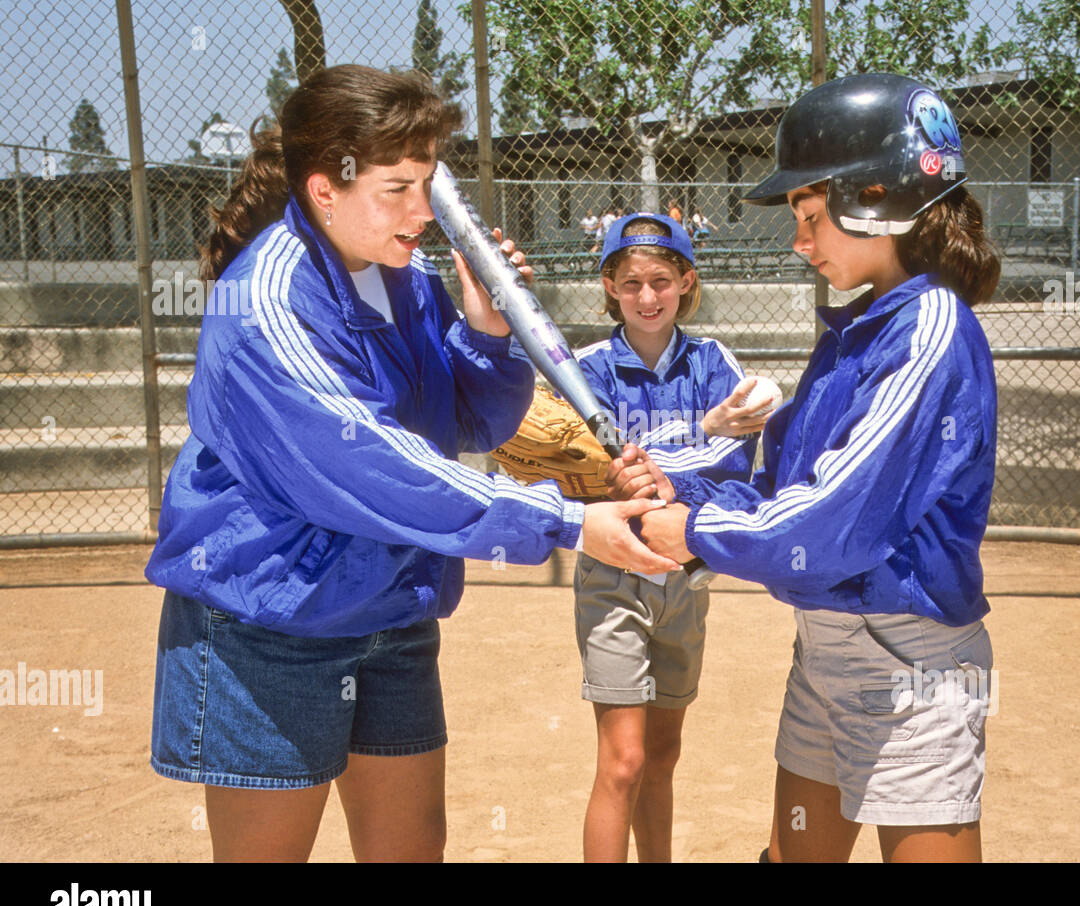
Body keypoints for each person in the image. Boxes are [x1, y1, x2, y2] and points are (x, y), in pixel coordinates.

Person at [144, 65, 677, 863]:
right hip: (272, 625)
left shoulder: (403, 278)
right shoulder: (264, 305)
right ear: (325, 189)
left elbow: (469, 420)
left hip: (390, 613)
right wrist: (564, 520)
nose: (423, 211)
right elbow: (376, 464)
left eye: (428, 182)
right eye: (398, 187)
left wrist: (488, 331)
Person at [615, 74, 1001, 863]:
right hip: (826, 648)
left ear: (880, 199)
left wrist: (693, 529)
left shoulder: (928, 329)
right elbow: (787, 485)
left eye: (812, 216)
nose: (801, 241)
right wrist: (675, 483)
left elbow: (835, 520)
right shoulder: (860, 329)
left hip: (910, 664)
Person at [573, 213, 775, 862]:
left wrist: (668, 485)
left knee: (662, 755)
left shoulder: (714, 361)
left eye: (662, 280)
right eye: (630, 283)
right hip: (614, 581)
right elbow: (602, 476)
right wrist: (692, 446)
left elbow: (734, 471)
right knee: (623, 759)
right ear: (609, 286)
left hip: (686, 579)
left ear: (687, 281)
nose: (647, 296)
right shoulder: (588, 369)